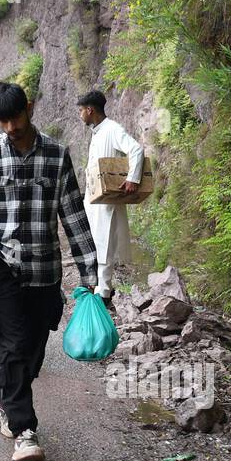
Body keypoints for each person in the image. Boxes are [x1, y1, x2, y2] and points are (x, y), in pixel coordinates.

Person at [0, 82, 98, 461]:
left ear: (30, 107)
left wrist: (90, 272)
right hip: (0, 268)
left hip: (45, 270)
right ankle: (25, 430)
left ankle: (7, 398)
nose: (11, 126)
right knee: (11, 345)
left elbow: (74, 217)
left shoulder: (57, 157)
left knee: (31, 352)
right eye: (3, 120)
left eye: (17, 116)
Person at [77, 90, 145, 305]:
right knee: (93, 242)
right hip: (94, 198)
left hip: (107, 200)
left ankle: (104, 293)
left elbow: (136, 150)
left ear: (90, 110)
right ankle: (97, 285)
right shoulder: (97, 132)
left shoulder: (113, 129)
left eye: (81, 111)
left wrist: (133, 178)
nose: (80, 115)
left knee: (104, 242)